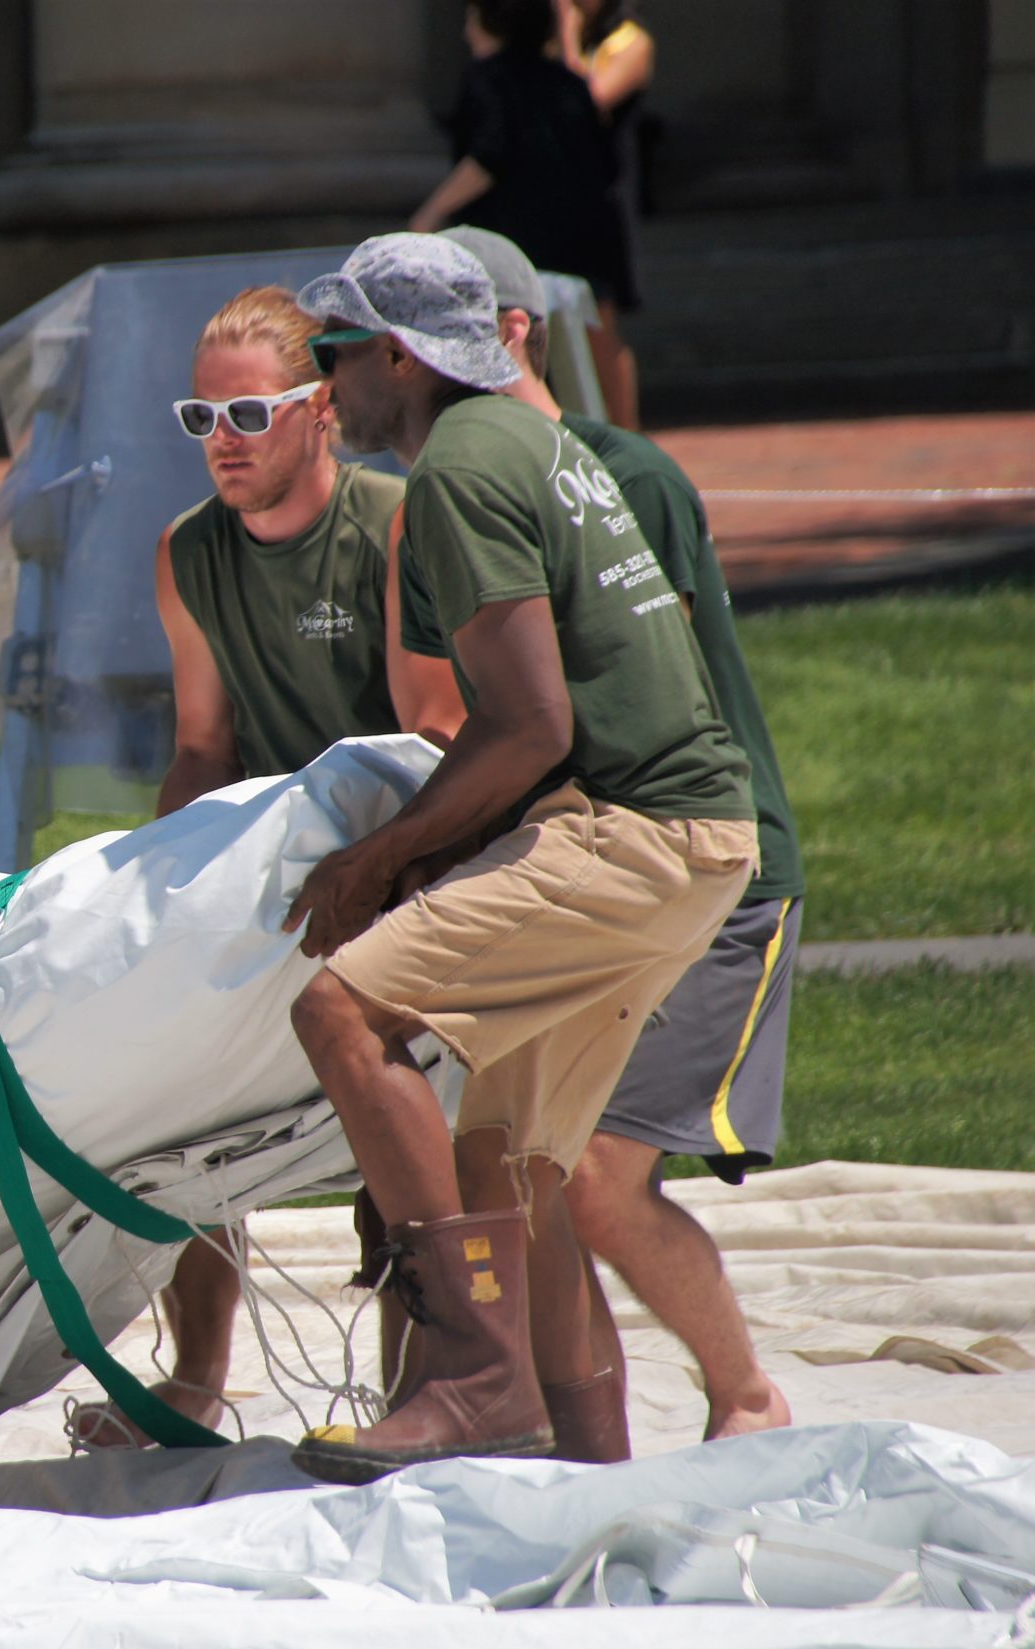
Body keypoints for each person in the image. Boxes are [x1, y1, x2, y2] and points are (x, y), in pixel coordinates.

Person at [279, 233, 757, 1484]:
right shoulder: (539, 442)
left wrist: (377, 858)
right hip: (700, 839)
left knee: (341, 1011)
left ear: (395, 354)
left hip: (628, 832)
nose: (325, 388)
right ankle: (594, 1472)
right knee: (518, 1169)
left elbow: (529, 722)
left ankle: (477, 1382)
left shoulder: (459, 468)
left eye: (335, 355)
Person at [66, 285, 465, 1449]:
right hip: (266, 866)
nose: (222, 444)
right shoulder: (185, 555)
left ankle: (419, 1389)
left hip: (400, 857)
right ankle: (195, 1381)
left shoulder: (394, 523)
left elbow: (430, 738)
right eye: (202, 420)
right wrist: (158, 892)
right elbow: (201, 749)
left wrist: (370, 878)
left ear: (319, 411)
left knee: (398, 1122)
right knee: (179, 1092)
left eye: (247, 416)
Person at [426, 226, 799, 1453]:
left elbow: (650, 699)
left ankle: (744, 1394)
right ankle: (564, 1434)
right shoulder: (471, 476)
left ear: (513, 331)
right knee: (523, 1169)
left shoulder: (615, 473)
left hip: (700, 871)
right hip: (586, 867)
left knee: (592, 1184)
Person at [410, 0, 641, 429]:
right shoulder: (570, 82)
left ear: (488, 22)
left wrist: (429, 214)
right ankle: (626, 443)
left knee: (517, 353)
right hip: (583, 241)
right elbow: (605, 161)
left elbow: (488, 155)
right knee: (596, 353)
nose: (465, 31)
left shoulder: (487, 79)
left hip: (519, 245)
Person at [556, 0, 656, 428]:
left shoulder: (630, 42)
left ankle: (627, 433)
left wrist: (565, 33)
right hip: (563, 197)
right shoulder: (566, 41)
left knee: (600, 322)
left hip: (604, 200)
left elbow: (589, 99)